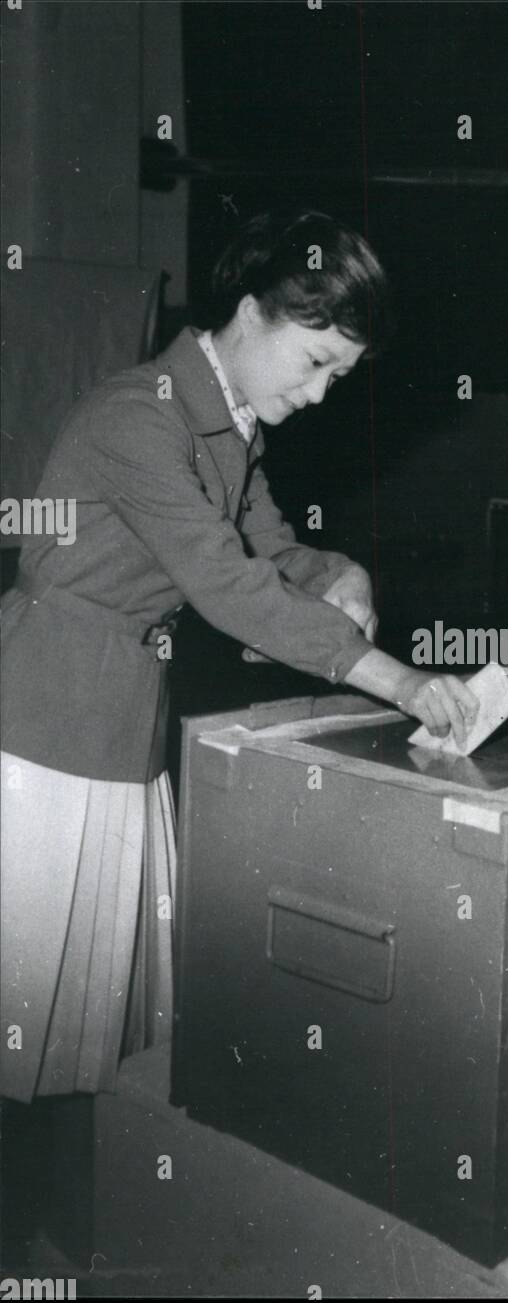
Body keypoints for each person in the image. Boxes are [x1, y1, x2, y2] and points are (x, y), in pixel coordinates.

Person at [0, 208, 478, 1104]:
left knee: (74, 1033)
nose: (321, 393)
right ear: (254, 311)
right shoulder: (137, 419)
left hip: (114, 718)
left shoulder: (229, 427)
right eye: (316, 362)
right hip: (37, 721)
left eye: (340, 373)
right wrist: (396, 680)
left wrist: (342, 571)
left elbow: (271, 551)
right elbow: (227, 587)